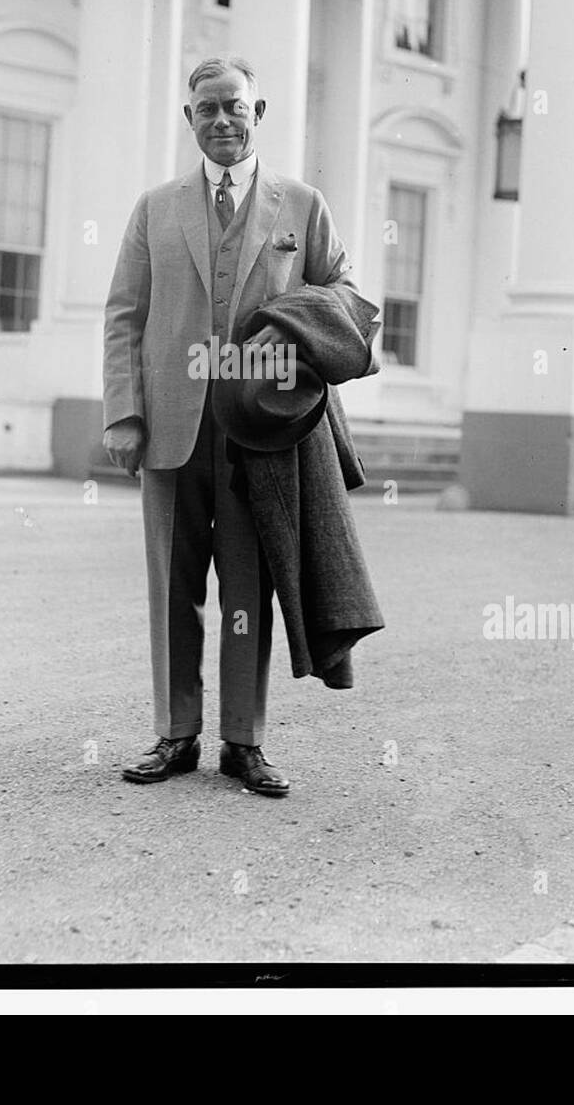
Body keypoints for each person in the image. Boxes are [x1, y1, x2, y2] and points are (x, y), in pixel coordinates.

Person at [102, 55, 369, 797]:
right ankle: (174, 734)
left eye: (234, 107)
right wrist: (123, 414)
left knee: (247, 589)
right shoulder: (155, 207)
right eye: (206, 110)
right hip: (171, 424)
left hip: (262, 425)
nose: (221, 120)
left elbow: (344, 291)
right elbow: (124, 314)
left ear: (260, 113)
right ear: (189, 120)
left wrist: (292, 324)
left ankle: (242, 743)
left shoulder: (302, 205)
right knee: (172, 586)